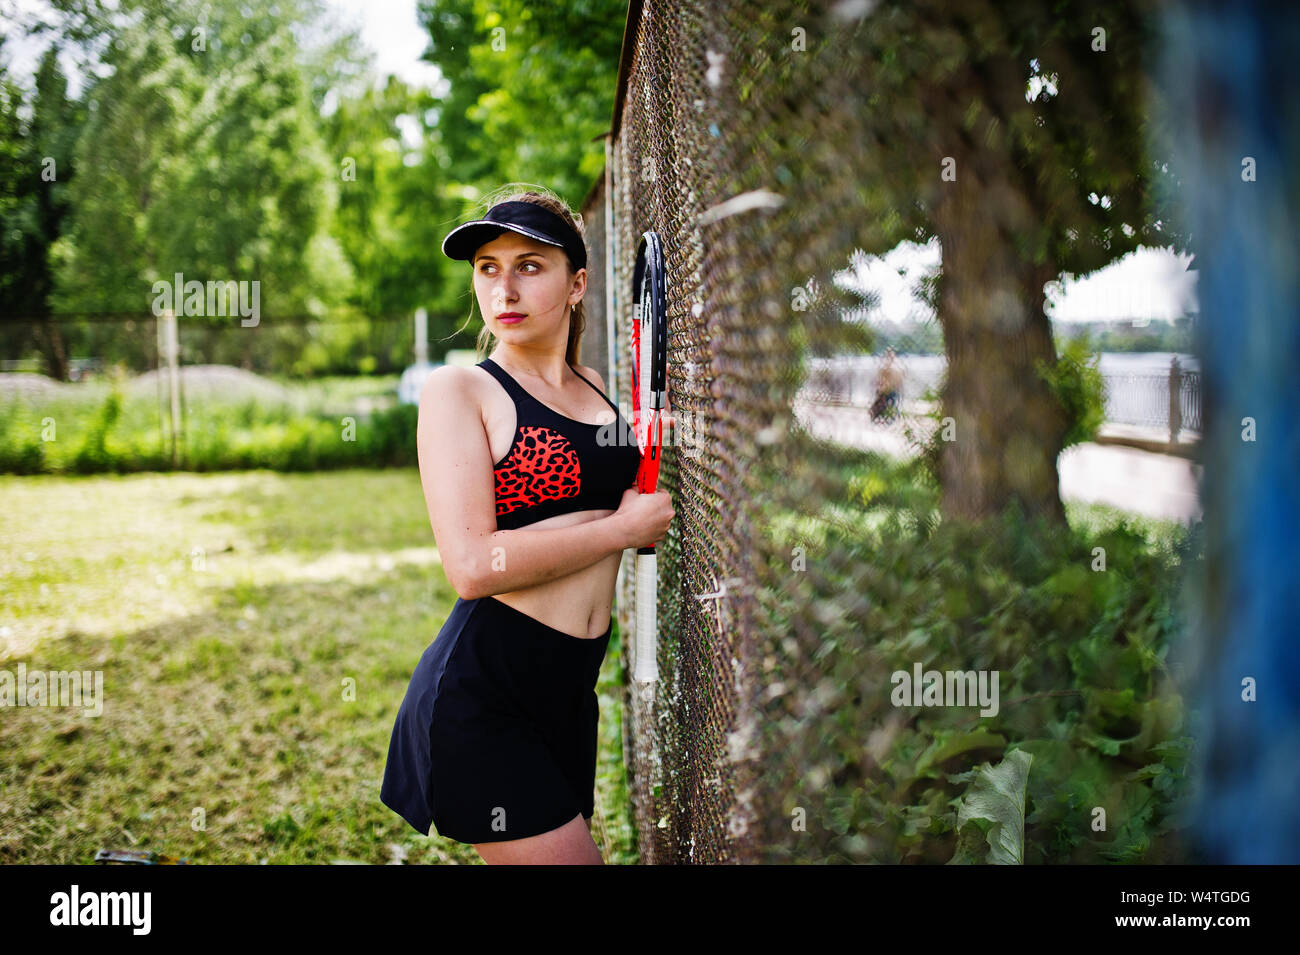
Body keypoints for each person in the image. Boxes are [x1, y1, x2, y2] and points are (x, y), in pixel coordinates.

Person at [380, 186, 674, 864]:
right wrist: (620, 530)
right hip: (486, 693)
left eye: (529, 265)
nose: (504, 287)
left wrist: (636, 519)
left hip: (569, 694)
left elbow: (614, 506)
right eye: (488, 267)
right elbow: (474, 566)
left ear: (577, 284)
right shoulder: (460, 392)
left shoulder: (598, 387)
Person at [870, 347, 903, 423]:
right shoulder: (885, 366)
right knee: (884, 401)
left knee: (891, 401)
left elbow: (898, 380)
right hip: (886, 389)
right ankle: (881, 415)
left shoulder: (895, 366)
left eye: (892, 355)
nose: (891, 357)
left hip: (892, 389)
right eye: (889, 355)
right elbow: (881, 378)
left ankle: (889, 415)